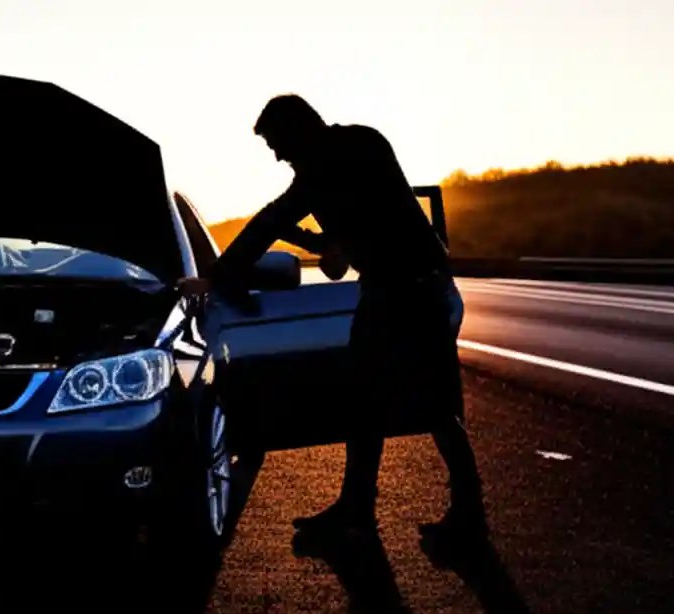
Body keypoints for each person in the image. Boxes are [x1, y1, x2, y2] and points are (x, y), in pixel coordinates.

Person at [178, 94, 487, 547]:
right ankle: (380, 509)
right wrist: (327, 242)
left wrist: (217, 277)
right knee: (394, 401)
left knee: (398, 402)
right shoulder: (360, 145)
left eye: (277, 144)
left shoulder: (324, 164)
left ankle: (399, 512)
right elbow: (358, 218)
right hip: (410, 286)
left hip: (401, 291)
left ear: (296, 130)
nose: (278, 157)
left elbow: (273, 219)